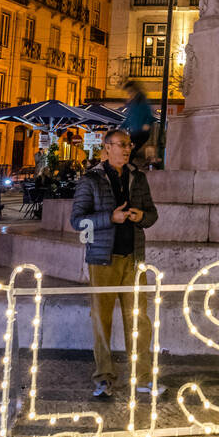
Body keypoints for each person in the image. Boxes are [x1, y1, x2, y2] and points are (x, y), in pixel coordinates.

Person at [70, 129, 162, 401]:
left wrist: (141, 215)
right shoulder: (91, 181)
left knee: (139, 321)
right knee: (102, 320)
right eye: (121, 145)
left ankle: (143, 378)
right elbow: (77, 221)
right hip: (102, 260)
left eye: (128, 145)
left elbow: (152, 215)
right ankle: (104, 378)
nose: (126, 149)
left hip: (133, 259)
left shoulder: (139, 178)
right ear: (106, 148)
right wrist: (110, 217)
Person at [120, 81, 155, 161]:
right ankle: (128, 164)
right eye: (128, 92)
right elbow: (128, 118)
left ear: (135, 91)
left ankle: (129, 165)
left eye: (130, 91)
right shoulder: (132, 104)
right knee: (128, 150)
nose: (129, 94)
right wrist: (122, 127)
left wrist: (147, 123)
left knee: (130, 150)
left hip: (142, 132)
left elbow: (149, 114)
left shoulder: (142, 101)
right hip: (135, 132)